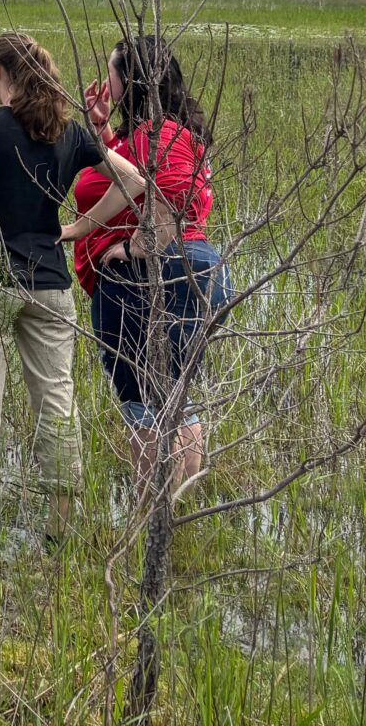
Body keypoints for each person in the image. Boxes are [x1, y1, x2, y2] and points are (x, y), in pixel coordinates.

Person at [0, 31, 146, 544]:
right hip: (49, 282)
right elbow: (133, 181)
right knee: (56, 399)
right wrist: (81, 228)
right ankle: (60, 527)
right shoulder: (71, 133)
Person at [61, 35, 228, 502]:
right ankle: (171, 519)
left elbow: (173, 195)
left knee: (145, 405)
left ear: (130, 80)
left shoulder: (160, 133)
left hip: (153, 278)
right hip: (194, 272)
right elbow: (144, 175)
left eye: (111, 72)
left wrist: (136, 247)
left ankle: (148, 522)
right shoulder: (165, 134)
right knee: (177, 398)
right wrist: (104, 137)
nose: (105, 82)